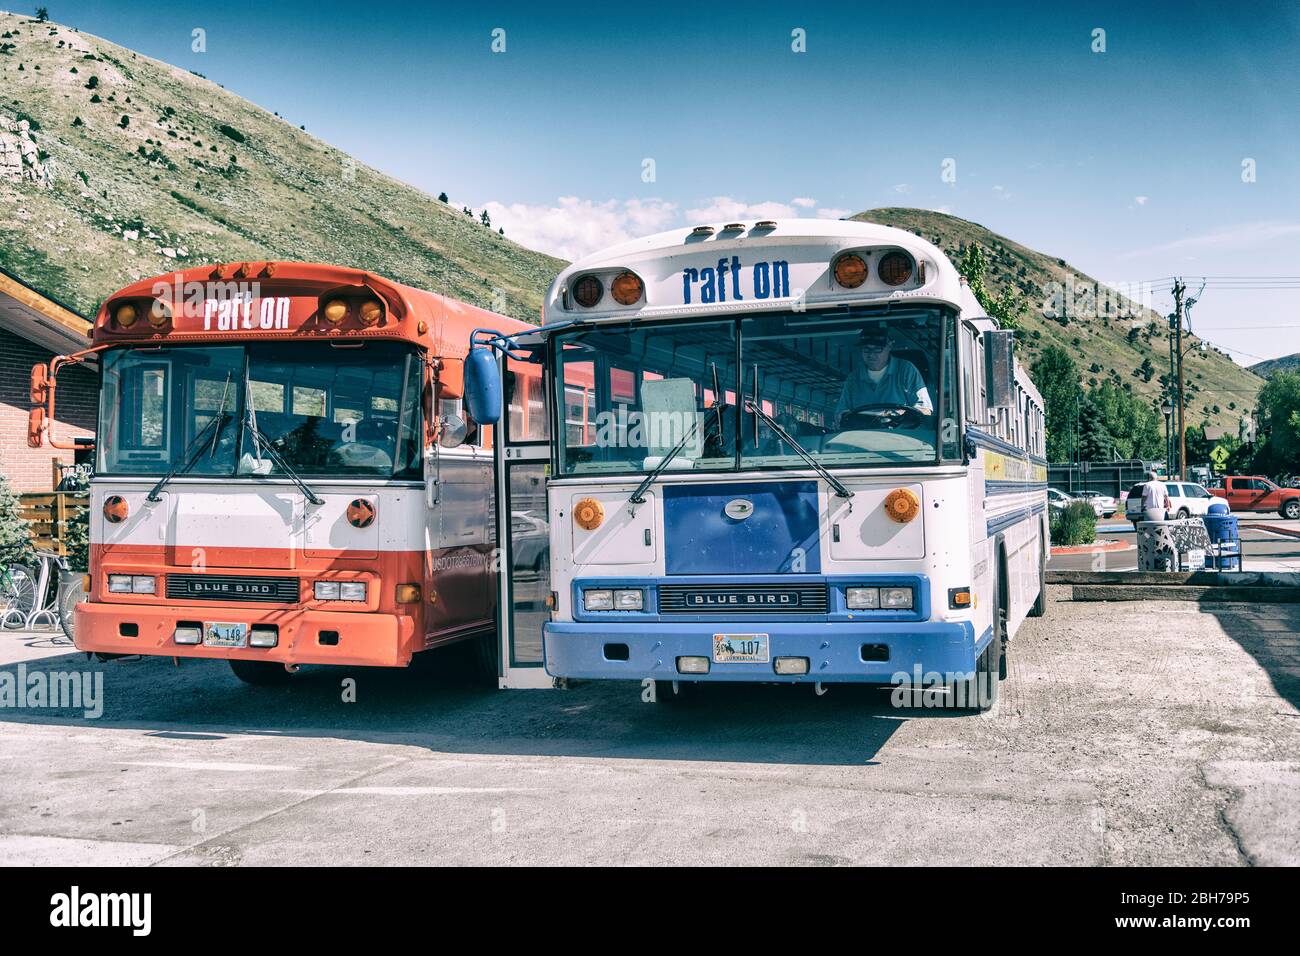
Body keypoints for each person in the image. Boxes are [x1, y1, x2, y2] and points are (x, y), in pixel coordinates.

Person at [834, 326, 932, 427]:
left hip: (900, 439)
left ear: (889, 346)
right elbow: (841, 415)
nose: (871, 355)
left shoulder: (906, 370)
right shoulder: (853, 378)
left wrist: (899, 417)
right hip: (861, 440)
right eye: (866, 349)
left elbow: (924, 410)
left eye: (877, 349)